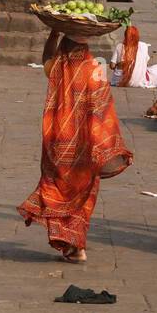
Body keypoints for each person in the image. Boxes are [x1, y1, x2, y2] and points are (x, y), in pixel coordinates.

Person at [18, 27, 133, 263]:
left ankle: (73, 245)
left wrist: (53, 34)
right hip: (86, 147)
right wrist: (103, 144)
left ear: (64, 48)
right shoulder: (95, 69)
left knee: (57, 189)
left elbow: (46, 61)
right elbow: (103, 110)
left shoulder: (59, 68)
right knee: (82, 195)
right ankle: (76, 245)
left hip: (60, 143)